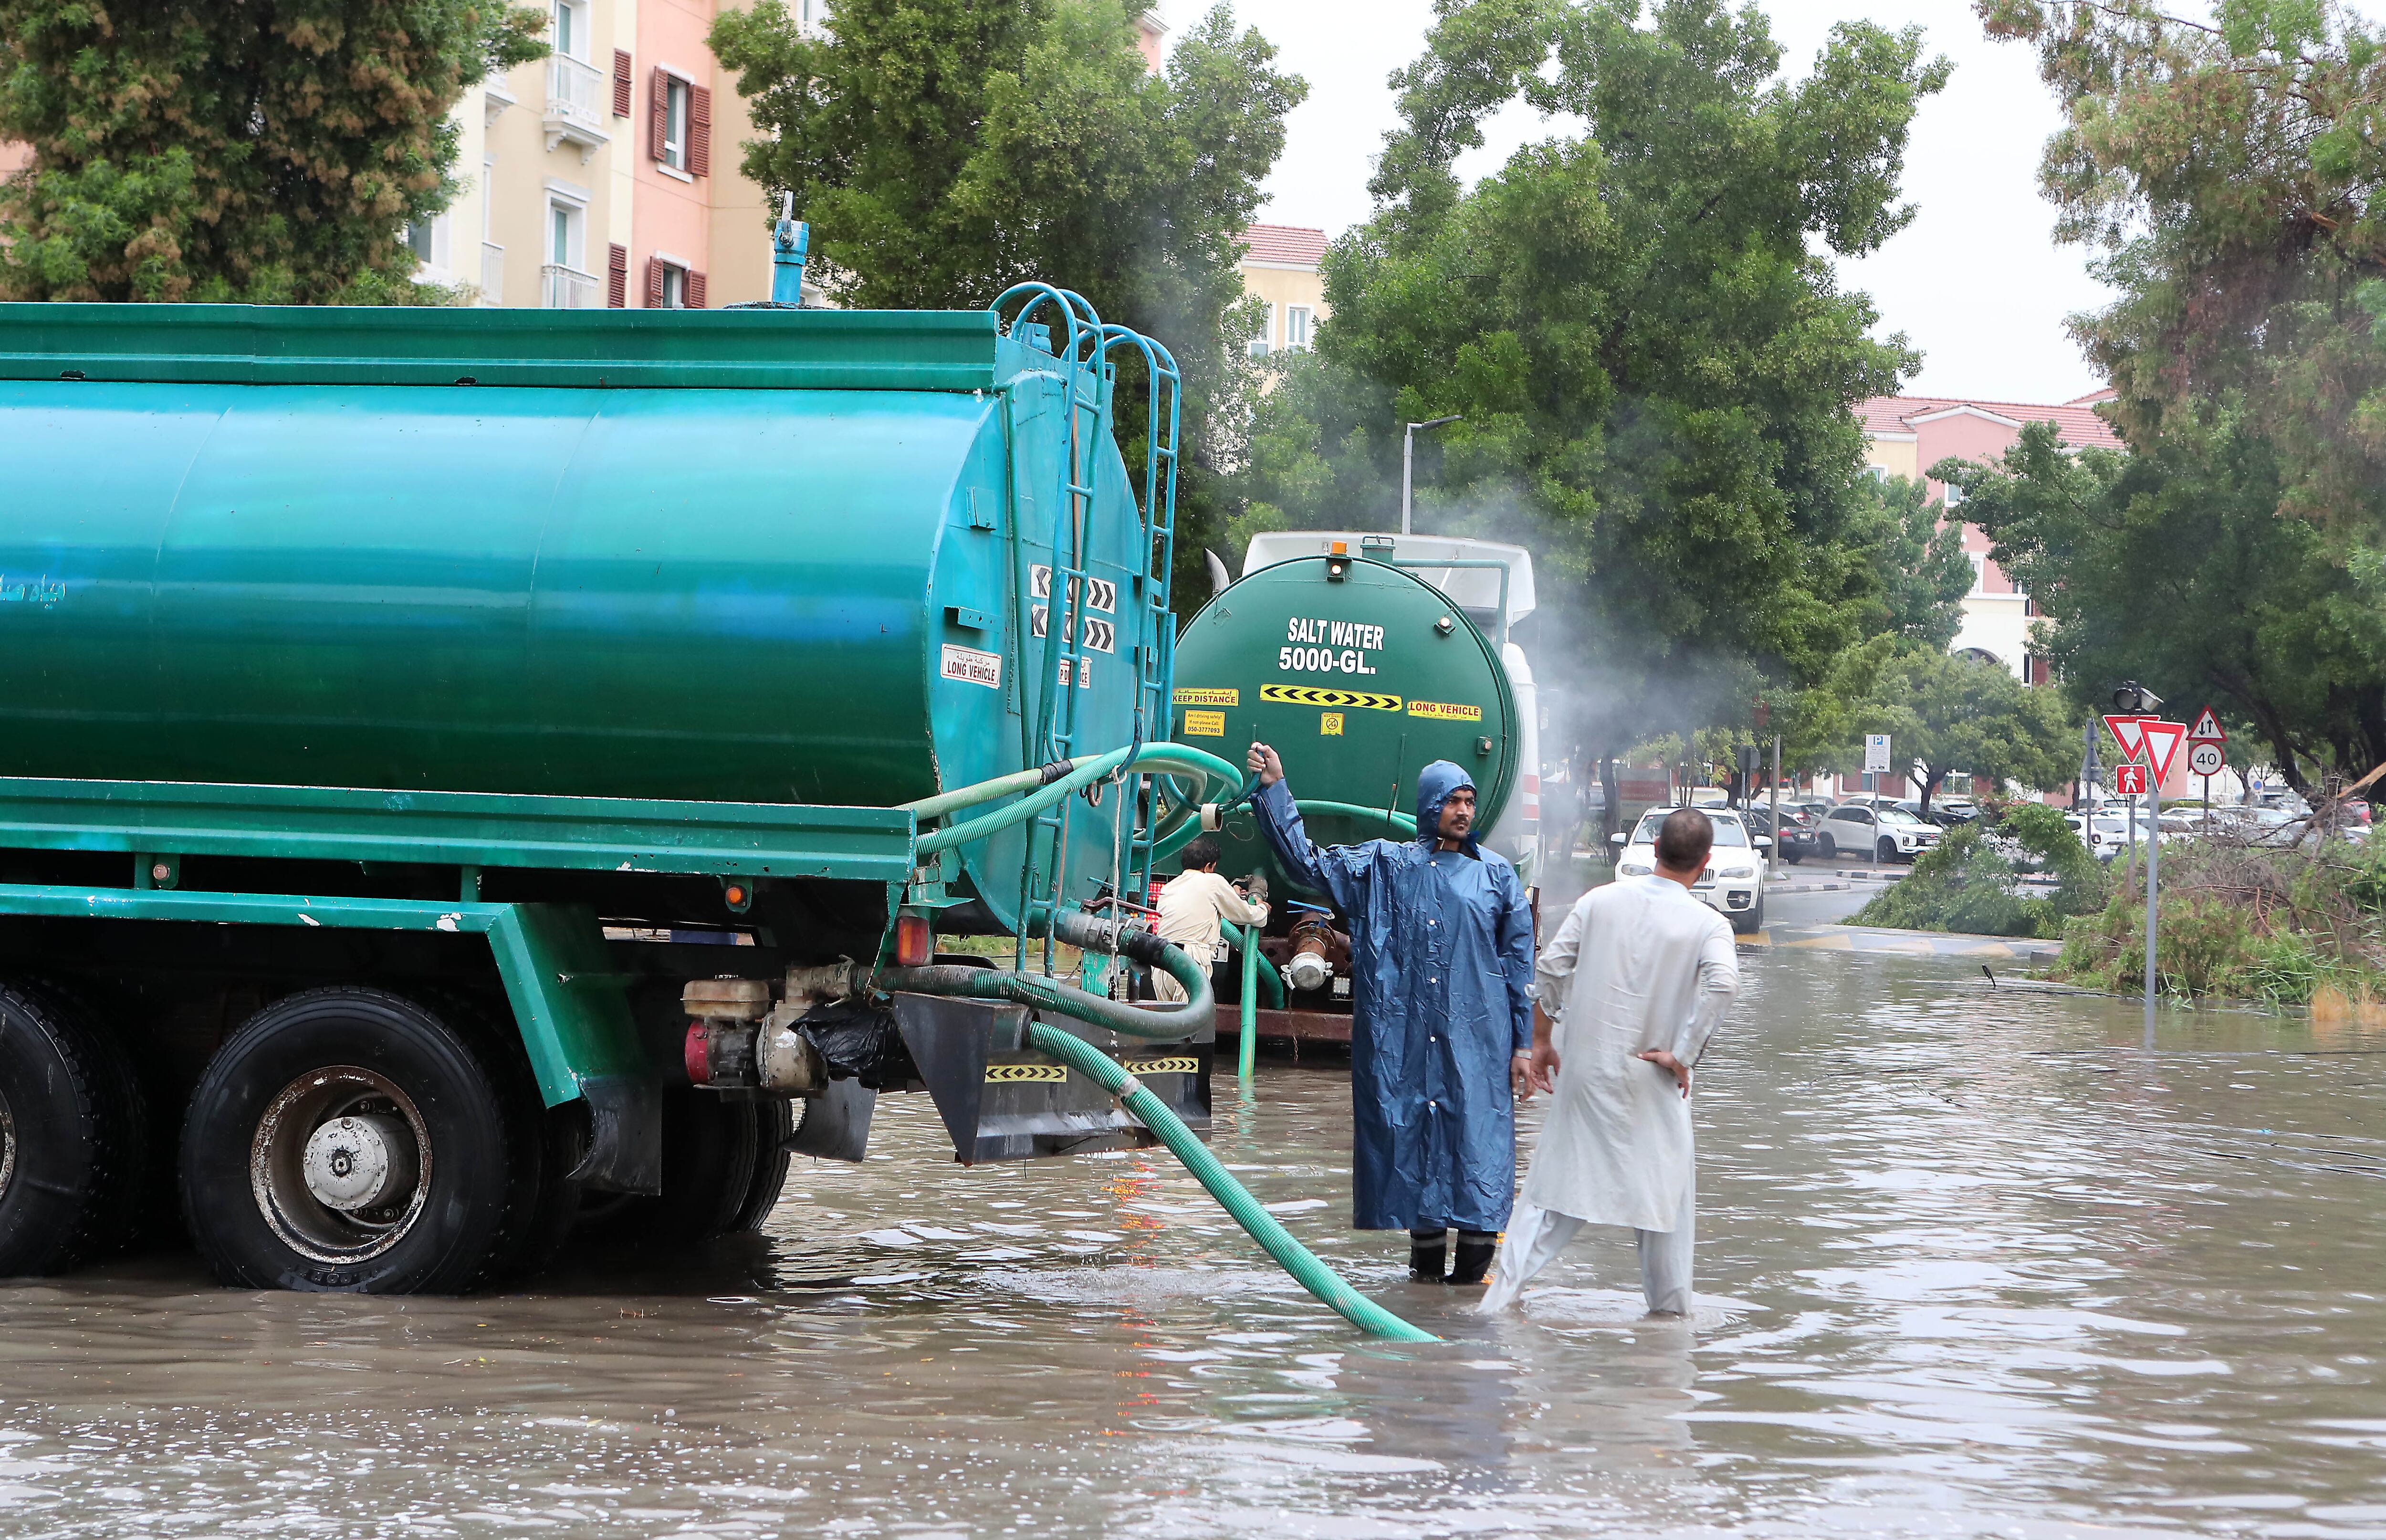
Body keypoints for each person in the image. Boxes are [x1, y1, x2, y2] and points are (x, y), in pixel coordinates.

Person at [1244, 741, 1535, 1285]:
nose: (1465, 811)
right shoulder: (1381, 865)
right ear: (1430, 805)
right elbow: (1306, 862)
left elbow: (1519, 966)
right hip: (1401, 1041)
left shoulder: (1496, 877)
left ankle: (1469, 1294)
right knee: (1412, 1157)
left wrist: (1522, 1046)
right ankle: (1427, 1303)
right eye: (1454, 801)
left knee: (1477, 1155)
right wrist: (1274, 788)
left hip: (1476, 1043)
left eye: (1470, 801)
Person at [1480, 807, 1739, 1317]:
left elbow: (1551, 968)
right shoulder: (1708, 924)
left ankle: (1495, 1306)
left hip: (1587, 1074)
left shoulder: (1599, 901)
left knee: (1550, 1196)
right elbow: (1724, 984)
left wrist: (1541, 1038)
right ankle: (1666, 1327)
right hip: (1655, 1080)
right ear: (1704, 862)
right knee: (1664, 1205)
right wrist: (1682, 1053)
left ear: (1654, 849)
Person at [1149, 836, 1268, 1004]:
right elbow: (1246, 915)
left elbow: (1196, 905)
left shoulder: (1169, 888)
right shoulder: (1212, 881)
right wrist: (1263, 909)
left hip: (1161, 962)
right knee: (1189, 1024)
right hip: (1189, 960)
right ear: (1208, 867)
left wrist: (1231, 895)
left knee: (1169, 1025)